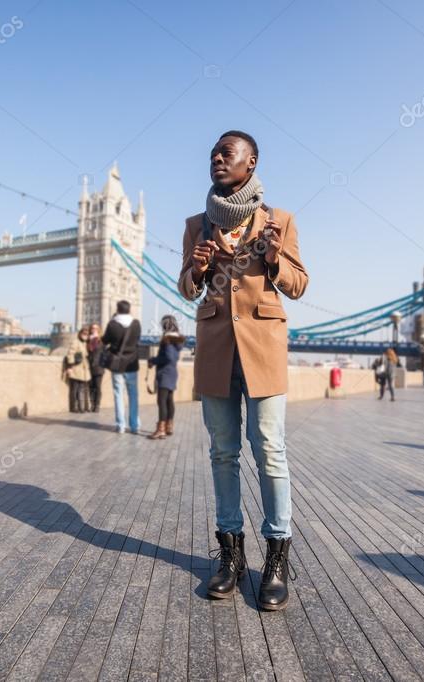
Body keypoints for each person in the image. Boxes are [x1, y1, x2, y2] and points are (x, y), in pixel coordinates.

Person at [178, 130, 308, 610]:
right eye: (213, 152)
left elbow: (298, 284)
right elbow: (186, 289)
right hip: (215, 349)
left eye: (226, 153)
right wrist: (195, 269)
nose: (216, 158)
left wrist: (274, 259)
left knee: (270, 450)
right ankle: (230, 556)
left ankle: (277, 557)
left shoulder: (280, 220)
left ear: (249, 164)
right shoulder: (197, 224)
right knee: (223, 454)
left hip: (264, 349)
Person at [101, 301, 142, 434]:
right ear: (129, 310)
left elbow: (104, 341)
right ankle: (135, 425)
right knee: (133, 395)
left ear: (117, 310)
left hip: (117, 365)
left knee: (118, 394)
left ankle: (121, 425)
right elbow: (137, 340)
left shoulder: (112, 324)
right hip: (132, 364)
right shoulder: (136, 324)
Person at [146, 315, 186, 439]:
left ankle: (161, 430)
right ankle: (169, 426)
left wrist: (154, 360)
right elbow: (174, 357)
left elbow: (168, 357)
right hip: (172, 372)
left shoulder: (167, 339)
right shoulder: (177, 339)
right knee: (169, 400)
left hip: (165, 374)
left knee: (162, 401)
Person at [62, 326, 91, 413]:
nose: (85, 335)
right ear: (80, 334)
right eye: (84, 333)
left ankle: (81, 407)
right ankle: (74, 407)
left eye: (87, 334)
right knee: (74, 389)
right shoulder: (75, 342)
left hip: (83, 370)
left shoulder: (86, 343)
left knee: (81, 389)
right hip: (76, 368)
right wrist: (70, 367)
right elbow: (70, 354)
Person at [86, 323, 104, 412]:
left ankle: (97, 405)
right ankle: (92, 404)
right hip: (89, 367)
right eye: (93, 328)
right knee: (91, 386)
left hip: (98, 367)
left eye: (96, 328)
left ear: (99, 330)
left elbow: (104, 354)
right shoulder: (87, 340)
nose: (94, 330)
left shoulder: (101, 341)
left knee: (98, 386)